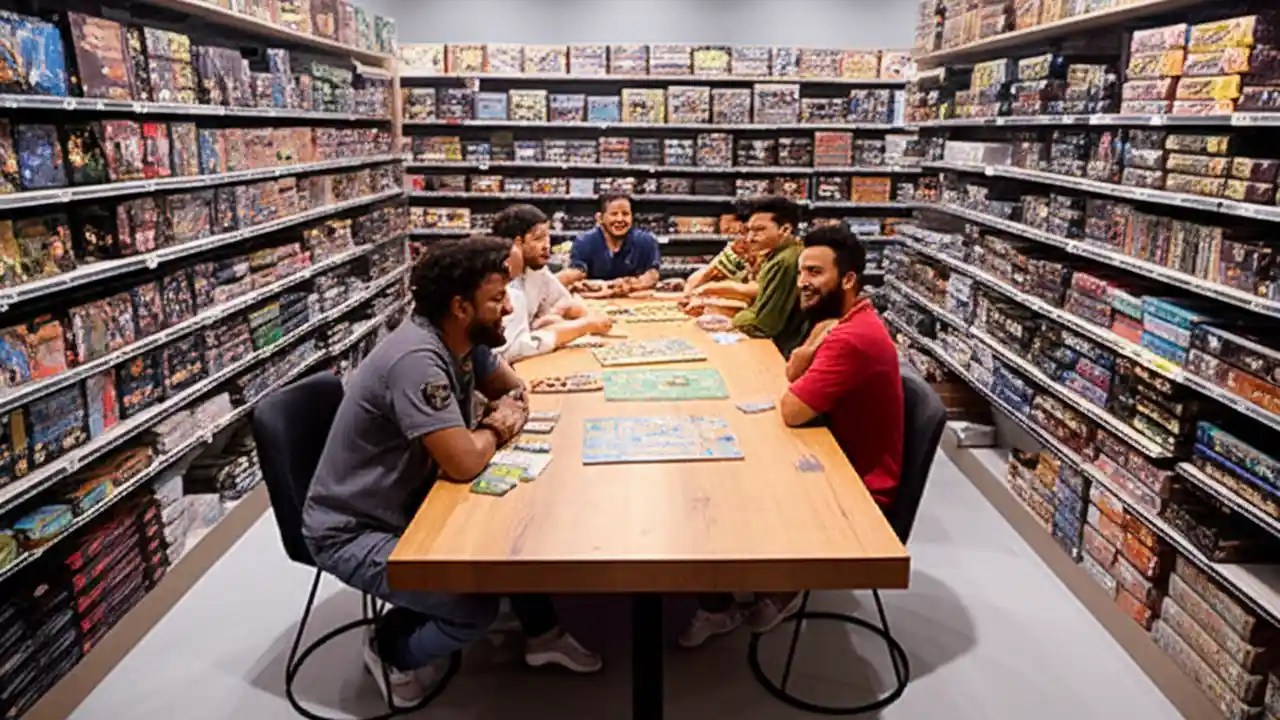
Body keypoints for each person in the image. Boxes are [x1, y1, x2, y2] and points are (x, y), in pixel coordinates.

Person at [302, 237, 601, 709]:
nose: (509, 308)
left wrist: (499, 417)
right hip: (354, 530)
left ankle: (542, 633)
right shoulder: (417, 359)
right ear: (461, 307)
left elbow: (513, 390)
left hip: (409, 500)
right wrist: (497, 427)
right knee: (472, 608)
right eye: (497, 299)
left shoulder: (462, 338)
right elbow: (464, 460)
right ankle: (391, 652)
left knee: (519, 523)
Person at [678, 225, 904, 647]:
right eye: (802, 271)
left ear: (848, 279)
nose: (803, 282)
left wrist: (809, 350)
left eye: (815, 272)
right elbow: (792, 372)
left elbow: (792, 408)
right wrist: (810, 347)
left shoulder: (850, 338)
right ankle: (727, 592)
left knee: (717, 483)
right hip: (833, 455)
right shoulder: (845, 319)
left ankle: (743, 597)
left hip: (855, 489)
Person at [491, 204, 614, 362]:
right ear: (517, 244)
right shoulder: (504, 286)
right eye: (538, 239)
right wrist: (582, 326)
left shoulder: (536, 270)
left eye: (547, 236)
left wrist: (558, 315)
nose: (546, 245)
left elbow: (564, 301)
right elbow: (511, 350)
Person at [729, 196, 807, 355]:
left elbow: (763, 325)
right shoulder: (782, 254)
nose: (750, 238)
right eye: (749, 231)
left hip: (783, 350)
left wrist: (732, 320)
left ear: (785, 230)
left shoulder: (783, 262)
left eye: (759, 230)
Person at [555, 193, 660, 296]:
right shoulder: (585, 241)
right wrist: (552, 282)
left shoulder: (645, 241)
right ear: (599, 218)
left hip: (637, 301)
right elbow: (577, 272)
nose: (620, 219)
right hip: (593, 302)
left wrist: (629, 285)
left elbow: (652, 275)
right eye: (614, 214)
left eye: (625, 214)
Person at [682, 201, 758, 300]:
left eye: (730, 222)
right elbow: (709, 271)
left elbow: (756, 286)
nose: (726, 227)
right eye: (723, 222)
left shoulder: (757, 247)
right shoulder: (735, 245)